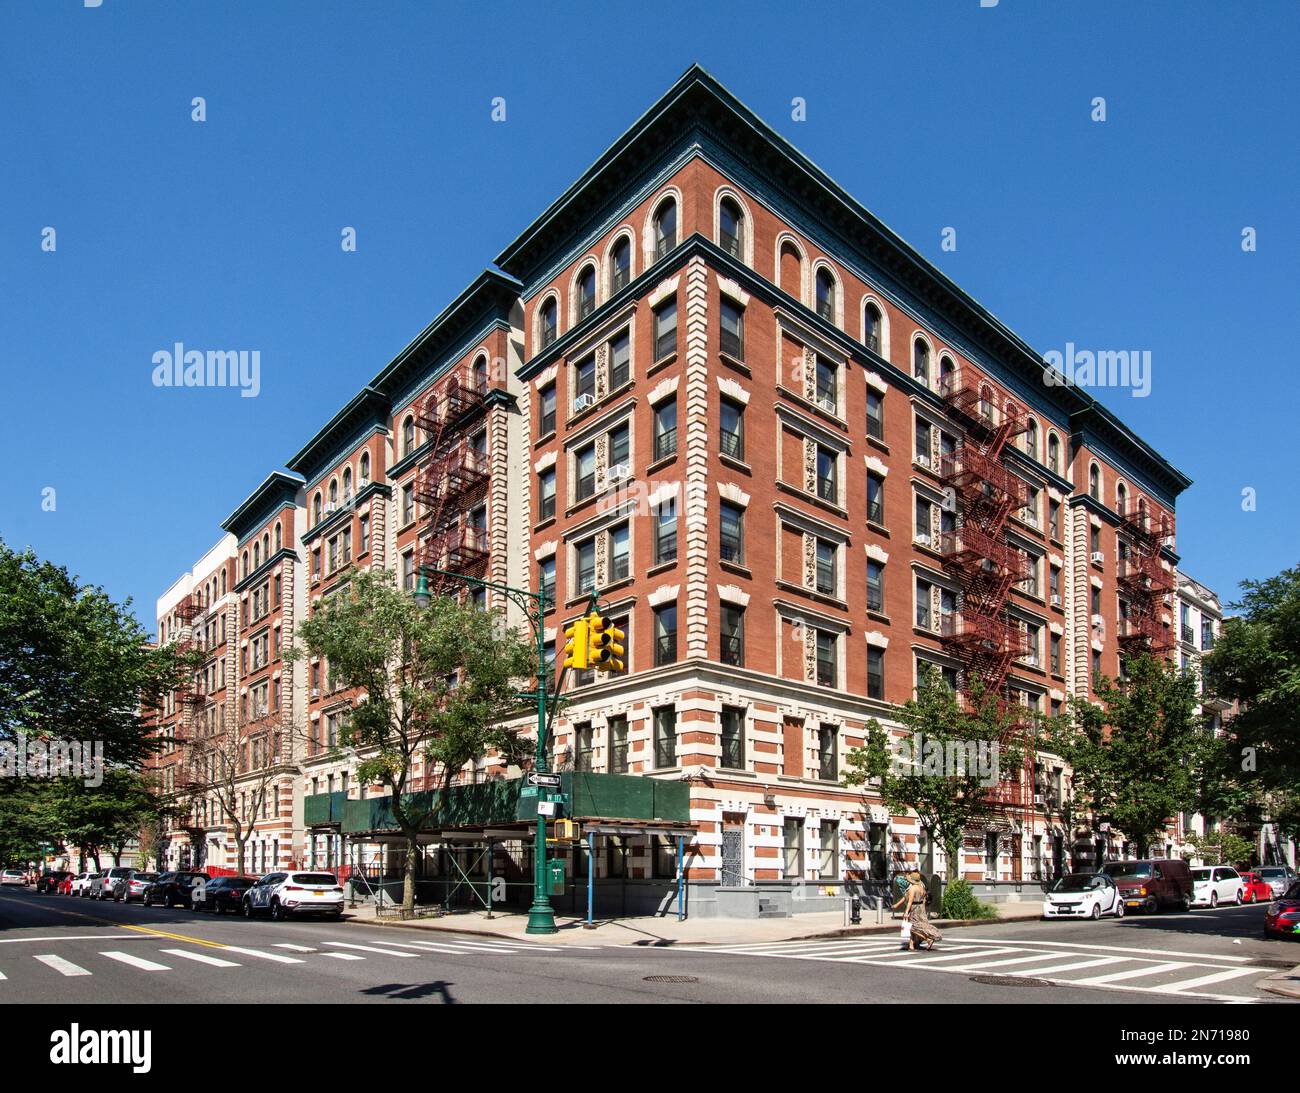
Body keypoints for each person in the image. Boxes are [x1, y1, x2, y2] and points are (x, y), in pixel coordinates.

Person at [892, 869, 941, 951]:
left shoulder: (912, 888)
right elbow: (924, 899)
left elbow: (910, 901)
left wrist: (906, 912)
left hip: (914, 909)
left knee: (912, 927)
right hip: (921, 908)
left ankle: (928, 939)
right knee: (919, 926)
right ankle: (911, 945)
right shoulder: (921, 887)